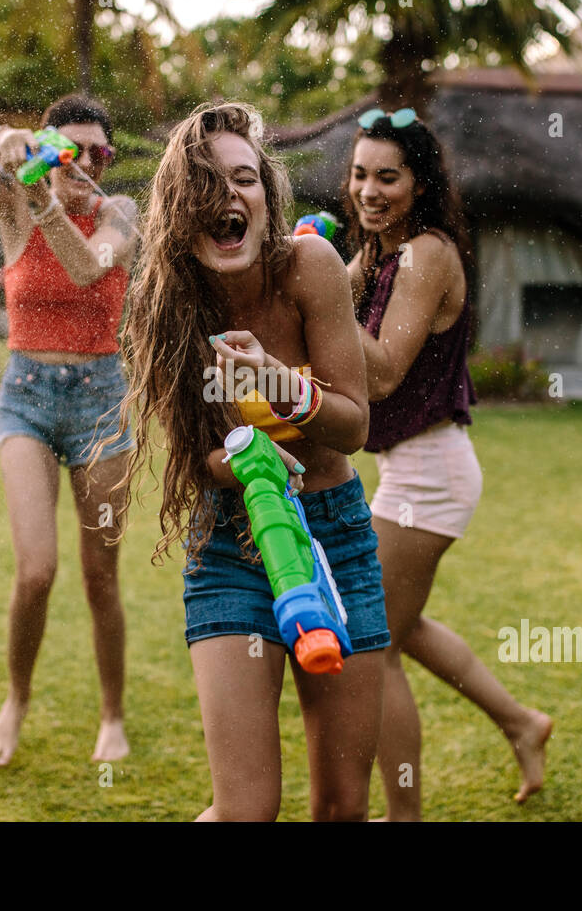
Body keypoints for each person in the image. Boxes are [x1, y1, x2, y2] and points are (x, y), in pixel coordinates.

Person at [93, 101, 389, 821]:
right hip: (231, 541)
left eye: (245, 180)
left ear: (268, 196)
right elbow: (199, 462)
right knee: (247, 810)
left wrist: (276, 385)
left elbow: (352, 424)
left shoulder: (310, 267)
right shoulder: (167, 306)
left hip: (336, 540)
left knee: (342, 810)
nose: (229, 198)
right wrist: (248, 462)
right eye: (206, 184)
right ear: (179, 210)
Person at [342, 106, 553, 819]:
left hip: (430, 475)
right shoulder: (377, 253)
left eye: (388, 178)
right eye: (360, 174)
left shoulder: (426, 255)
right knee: (402, 627)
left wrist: (319, 296)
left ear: (421, 183)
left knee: (375, 649)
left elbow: (382, 373)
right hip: (412, 470)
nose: (369, 191)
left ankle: (404, 816)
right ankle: (523, 723)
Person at [0, 94, 138, 766]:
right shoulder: (12, 199)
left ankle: (112, 714)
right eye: (69, 150)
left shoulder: (118, 213)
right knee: (37, 570)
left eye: (97, 153)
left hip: (101, 399)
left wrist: (44, 193)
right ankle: (16, 700)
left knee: (101, 576)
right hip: (28, 398)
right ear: (47, 150)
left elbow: (86, 267)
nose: (85, 164)